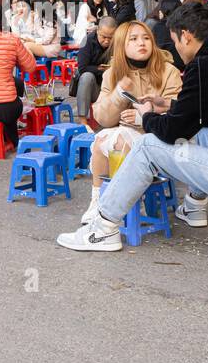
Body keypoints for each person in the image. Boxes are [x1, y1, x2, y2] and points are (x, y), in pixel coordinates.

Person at [57, 2, 208, 252]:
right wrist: (169, 104)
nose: (175, 47)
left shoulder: (206, 65)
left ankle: (103, 229)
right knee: (202, 134)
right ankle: (194, 206)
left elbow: (174, 131)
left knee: (146, 146)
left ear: (185, 36)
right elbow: (202, 114)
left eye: (174, 40)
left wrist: (146, 118)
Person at [77, 20, 183, 227]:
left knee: (116, 141)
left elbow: (178, 111)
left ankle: (120, 202)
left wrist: (144, 118)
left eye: (145, 38)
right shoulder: (112, 73)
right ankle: (98, 200)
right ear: (121, 46)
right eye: (133, 39)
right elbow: (103, 119)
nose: (141, 43)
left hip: (161, 139)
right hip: (126, 136)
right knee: (103, 138)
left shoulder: (168, 71)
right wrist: (118, 95)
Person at [72, 17, 118, 121]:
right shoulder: (87, 41)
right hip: (94, 87)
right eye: (103, 37)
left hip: (113, 87)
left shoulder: (119, 42)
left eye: (111, 38)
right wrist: (100, 69)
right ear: (97, 31)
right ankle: (83, 119)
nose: (107, 41)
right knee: (86, 76)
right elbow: (82, 68)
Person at [146, 0, 183, 68]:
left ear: (162, 12)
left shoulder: (157, 26)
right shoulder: (184, 26)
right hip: (181, 65)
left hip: (162, 66)